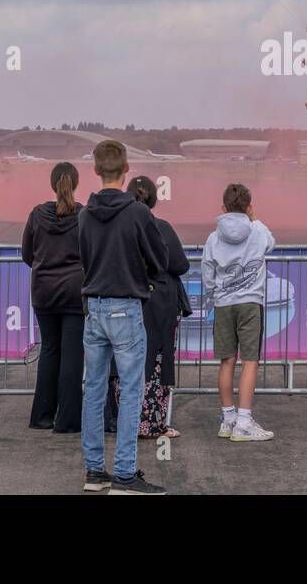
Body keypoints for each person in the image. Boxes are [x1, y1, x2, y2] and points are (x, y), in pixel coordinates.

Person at [77, 140, 169, 495]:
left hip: (94, 307)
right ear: (126, 169)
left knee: (94, 390)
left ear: (96, 170)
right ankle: (126, 474)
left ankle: (95, 470)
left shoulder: (85, 214)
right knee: (131, 391)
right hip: (126, 306)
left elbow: (84, 257)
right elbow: (158, 259)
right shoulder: (138, 213)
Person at [202, 182, 276, 442]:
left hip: (223, 304)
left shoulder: (213, 237)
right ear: (249, 207)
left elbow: (207, 273)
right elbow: (271, 243)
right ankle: (244, 422)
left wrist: (216, 292)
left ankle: (228, 418)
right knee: (250, 361)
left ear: (223, 207)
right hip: (250, 303)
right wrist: (255, 219)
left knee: (226, 361)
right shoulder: (256, 230)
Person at [121, 174, 191, 438]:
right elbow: (180, 264)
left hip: (128, 301)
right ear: (154, 199)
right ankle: (151, 423)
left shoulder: (121, 226)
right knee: (156, 363)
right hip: (160, 305)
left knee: (126, 362)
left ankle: (125, 420)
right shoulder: (161, 227)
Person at [21, 162, 85, 433]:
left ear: (52, 183)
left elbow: (27, 254)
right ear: (76, 183)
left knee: (49, 350)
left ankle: (42, 416)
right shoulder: (84, 215)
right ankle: (68, 420)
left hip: (44, 291)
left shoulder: (37, 214)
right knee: (72, 355)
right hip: (74, 292)